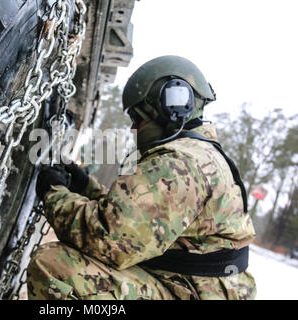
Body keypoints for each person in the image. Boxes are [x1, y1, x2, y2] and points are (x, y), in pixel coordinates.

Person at [27, 55, 257, 300]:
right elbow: (143, 221)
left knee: (56, 267)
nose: (133, 129)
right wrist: (86, 187)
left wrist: (54, 194)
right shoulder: (200, 154)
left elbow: (110, 240)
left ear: (170, 111)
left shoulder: (178, 163)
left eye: (138, 119)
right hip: (192, 287)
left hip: (189, 290)